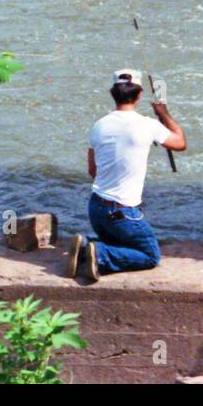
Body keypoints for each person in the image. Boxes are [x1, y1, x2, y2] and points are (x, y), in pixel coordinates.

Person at [68, 69, 185, 280]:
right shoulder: (148, 125)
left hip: (95, 208)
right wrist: (163, 113)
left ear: (113, 93)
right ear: (139, 95)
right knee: (150, 255)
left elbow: (92, 171)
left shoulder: (99, 126)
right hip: (122, 213)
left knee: (123, 242)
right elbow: (180, 143)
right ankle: (99, 254)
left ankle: (87, 244)